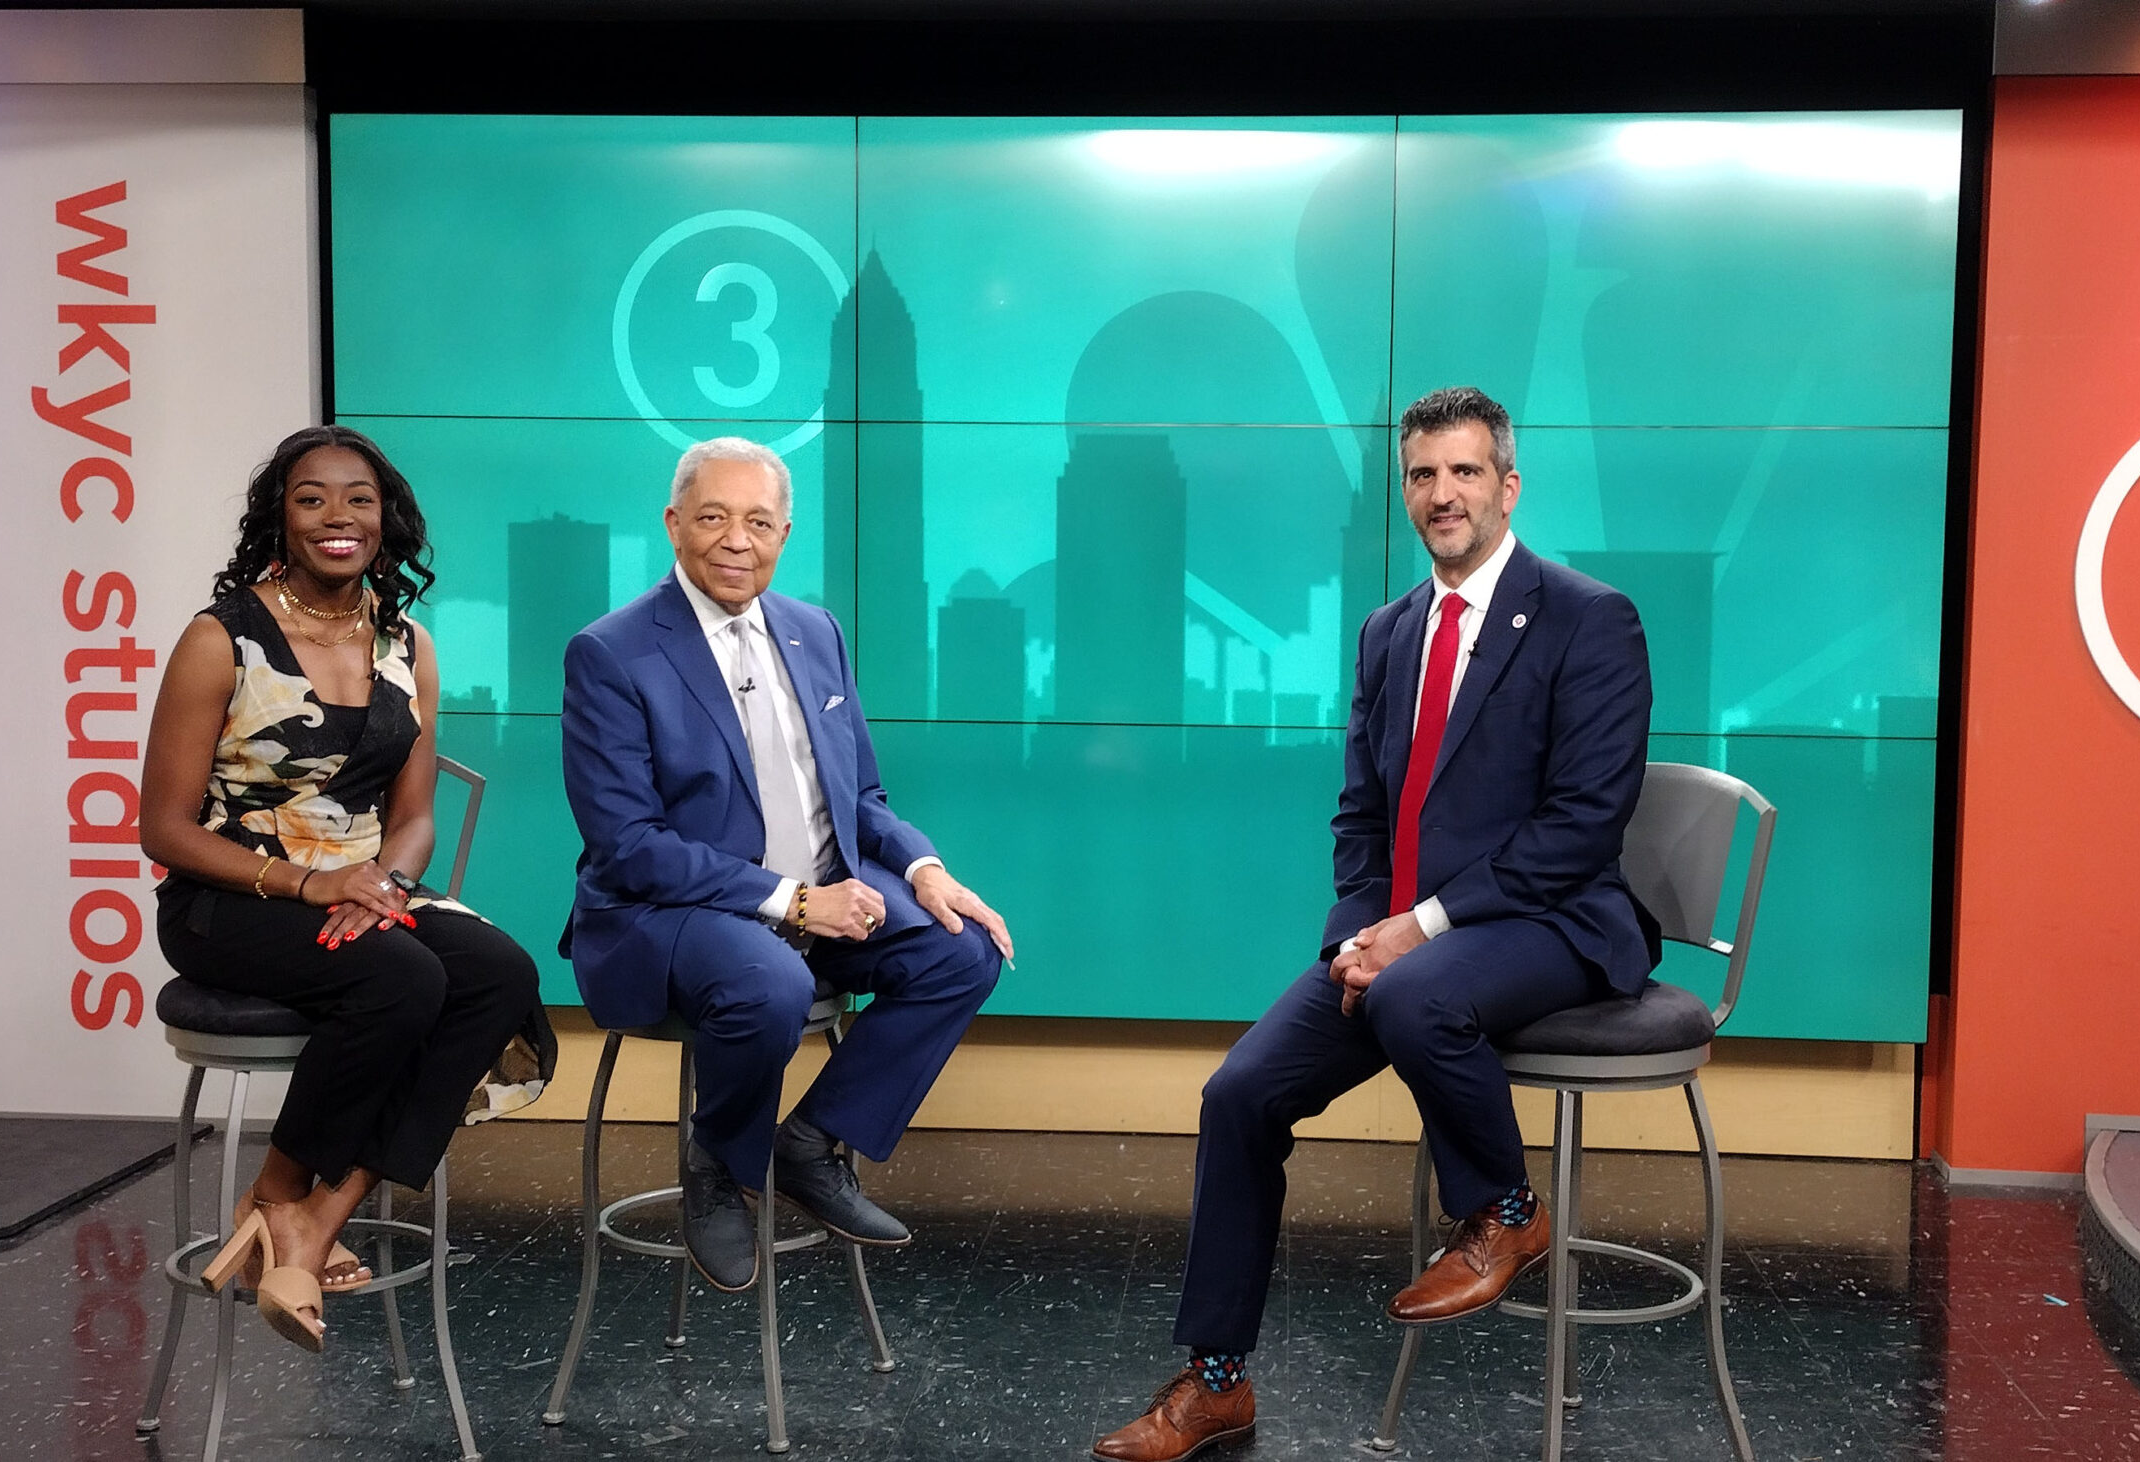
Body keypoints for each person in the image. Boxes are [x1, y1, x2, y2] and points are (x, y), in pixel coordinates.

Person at [1093, 387, 1660, 1460]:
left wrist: (1423, 926)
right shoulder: (1389, 631)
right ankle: (1217, 1380)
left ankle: (1506, 1212)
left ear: (1508, 486)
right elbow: (1362, 814)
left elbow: (1582, 824)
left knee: (1415, 992)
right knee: (1239, 1094)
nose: (1443, 494)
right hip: (1410, 942)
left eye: (1464, 471)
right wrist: (1354, 936)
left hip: (1552, 919)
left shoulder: (1589, 617)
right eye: (1422, 475)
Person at [560, 436, 1012, 1291]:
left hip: (819, 901)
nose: (738, 540)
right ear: (673, 524)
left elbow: (862, 796)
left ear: (785, 533)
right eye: (714, 518)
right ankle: (718, 1167)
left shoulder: (815, 631)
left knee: (961, 948)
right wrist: (794, 902)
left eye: (759, 522)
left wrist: (924, 871)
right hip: (671, 915)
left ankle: (808, 1144)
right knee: (771, 983)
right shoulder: (612, 652)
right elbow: (629, 845)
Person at [142, 424, 546, 1352]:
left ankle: (311, 1217)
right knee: (401, 978)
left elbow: (415, 817)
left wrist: (384, 888)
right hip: (233, 895)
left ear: (385, 519)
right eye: (311, 498)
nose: (338, 516)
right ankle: (279, 1197)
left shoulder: (407, 644)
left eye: (359, 499)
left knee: (499, 972)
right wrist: (309, 884)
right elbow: (163, 828)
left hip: (366, 885)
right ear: (279, 520)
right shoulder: (220, 638)